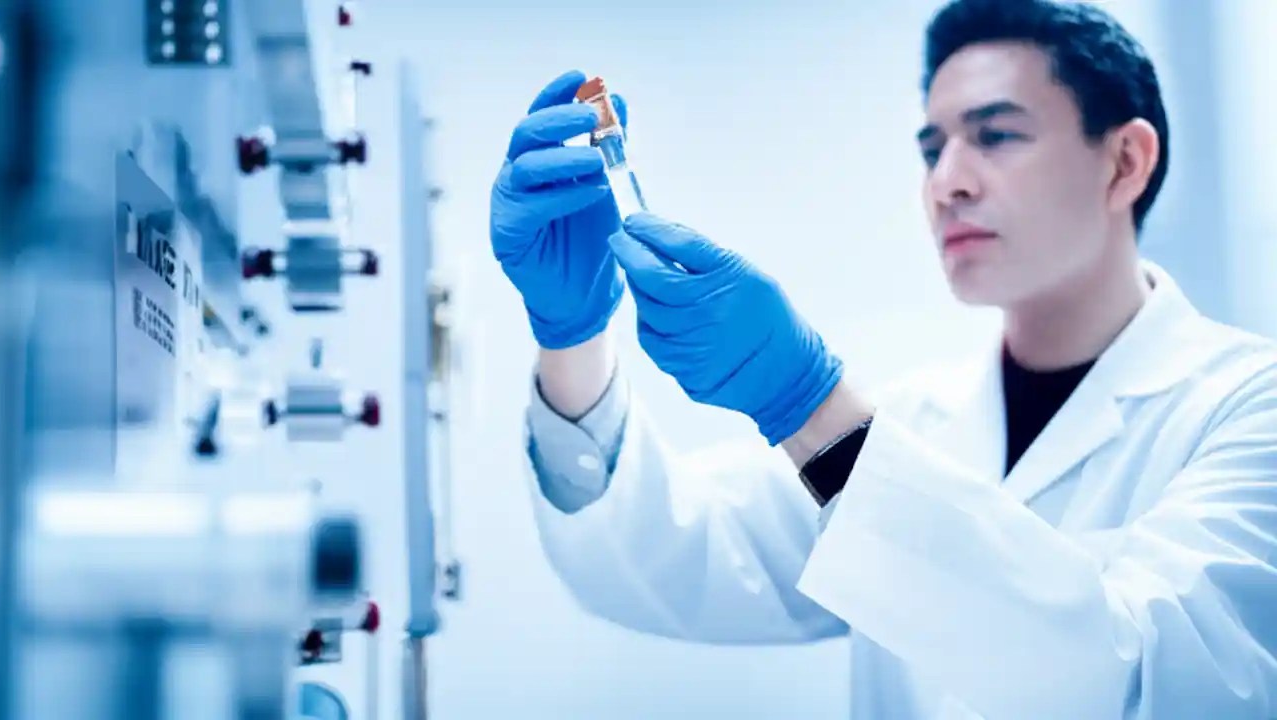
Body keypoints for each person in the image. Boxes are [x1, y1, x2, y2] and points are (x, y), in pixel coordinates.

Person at [487, 0, 1277, 717]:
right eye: (933, 147)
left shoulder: (1249, 408)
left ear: (1125, 161)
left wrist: (805, 404)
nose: (947, 182)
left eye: (996, 135)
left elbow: (1150, 685)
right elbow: (656, 561)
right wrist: (572, 334)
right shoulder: (921, 422)